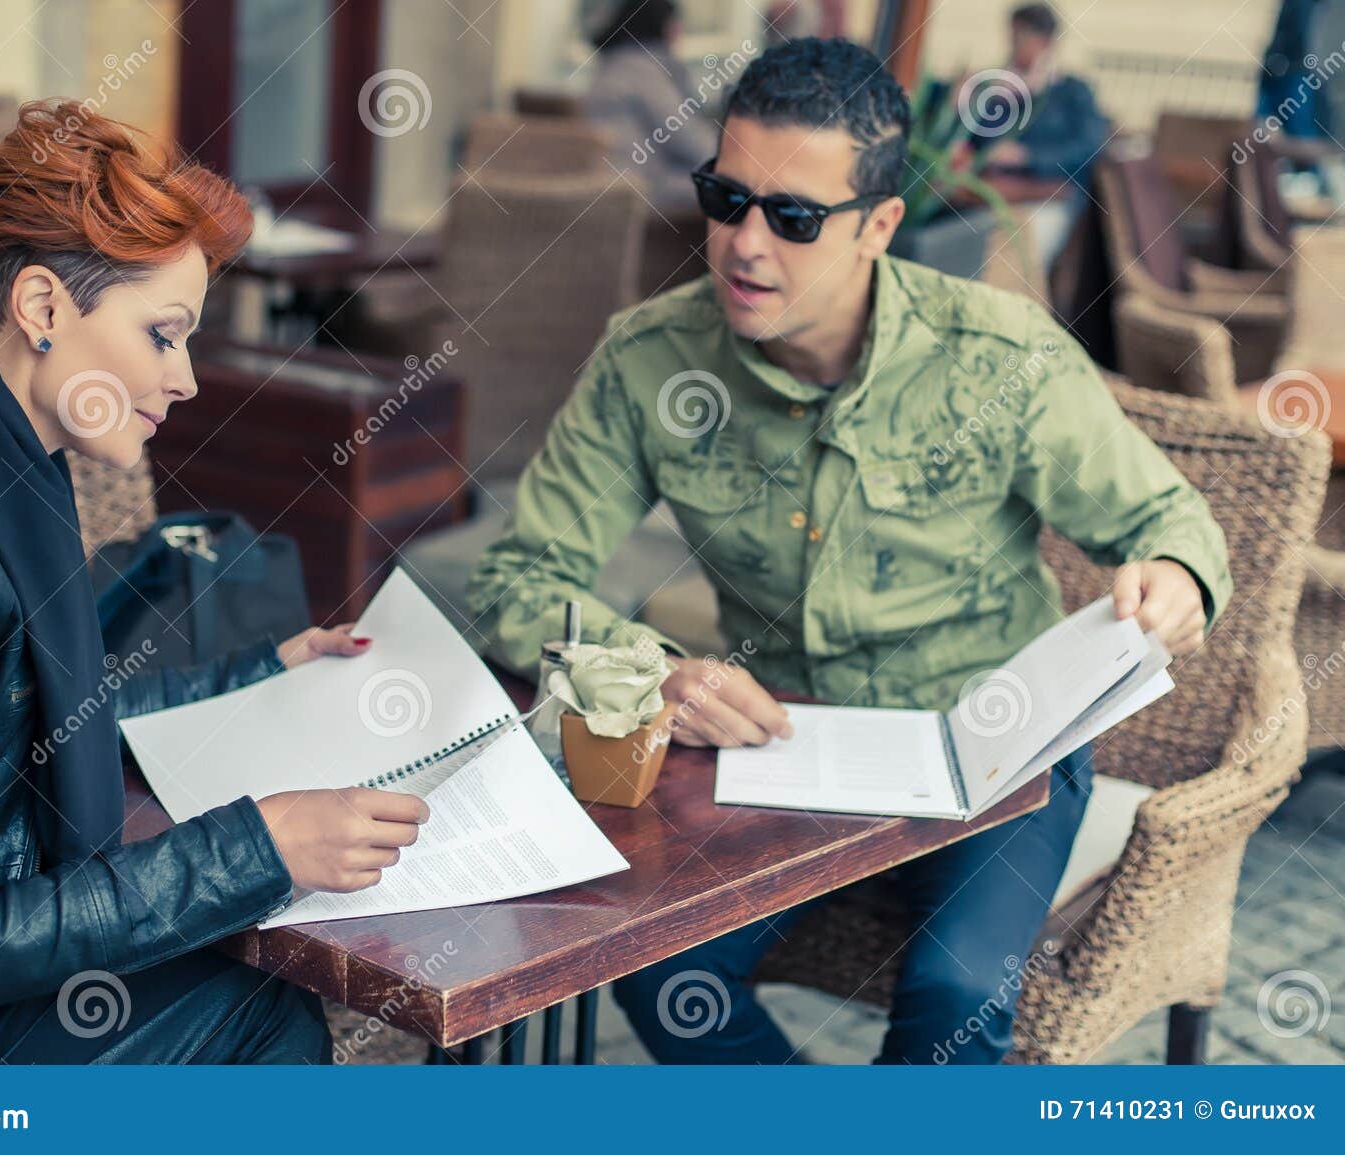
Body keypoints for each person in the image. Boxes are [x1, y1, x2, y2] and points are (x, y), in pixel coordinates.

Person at [469, 37, 1230, 1064]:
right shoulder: (649, 361)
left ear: (877, 226)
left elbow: (1171, 529)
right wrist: (655, 675)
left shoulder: (998, 355)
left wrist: (1177, 579)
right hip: (774, 752)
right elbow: (520, 578)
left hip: (990, 750)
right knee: (647, 966)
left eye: (791, 218)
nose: (744, 244)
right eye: (724, 197)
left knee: (957, 992)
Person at [0, 101, 430, 1065]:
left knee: (251, 1001)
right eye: (163, 334)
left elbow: (10, 712)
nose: (185, 376)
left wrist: (255, 673)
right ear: (42, 308)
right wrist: (259, 846)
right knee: (254, 1018)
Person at [954, 2, 1109, 271]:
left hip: (1048, 196)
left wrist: (1030, 157)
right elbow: (975, 143)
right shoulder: (999, 88)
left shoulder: (1073, 92)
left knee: (1022, 249)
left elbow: (1088, 147)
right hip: (995, 192)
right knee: (957, 234)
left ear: (1046, 42)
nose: (1014, 45)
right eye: (1012, 36)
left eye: (1023, 37)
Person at [584, 0, 717, 210]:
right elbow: (688, 139)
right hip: (641, 190)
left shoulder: (614, 63)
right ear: (663, 24)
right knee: (734, 191)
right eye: (677, 22)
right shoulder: (642, 71)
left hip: (611, 187)